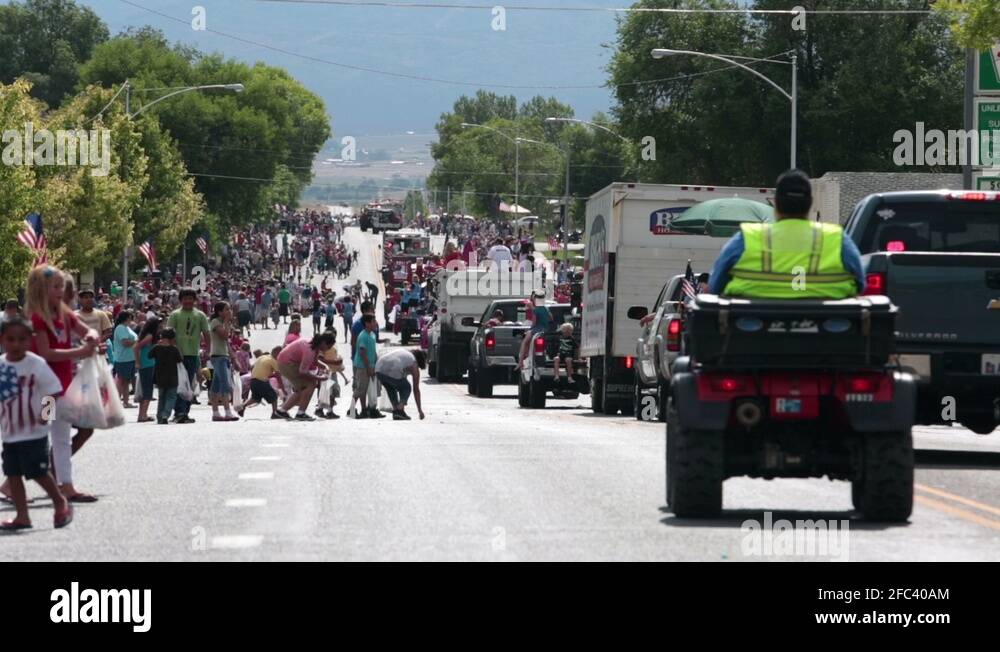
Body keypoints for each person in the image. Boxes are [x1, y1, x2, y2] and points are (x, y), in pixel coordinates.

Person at [708, 170, 865, 299]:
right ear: (810, 203)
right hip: (828, 332)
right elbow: (860, 284)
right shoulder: (837, 239)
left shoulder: (747, 237)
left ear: (775, 203)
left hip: (752, 331)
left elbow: (715, 285)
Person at [22, 265, 101, 503]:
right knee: (42, 433)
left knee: (59, 435)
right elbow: (46, 353)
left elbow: (87, 330)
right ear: (40, 289)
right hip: (44, 389)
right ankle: (14, 481)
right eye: (55, 287)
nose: (61, 291)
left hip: (62, 387)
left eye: (61, 286)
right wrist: (80, 351)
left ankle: (66, 485)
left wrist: (91, 338)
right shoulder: (38, 318)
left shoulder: (64, 313)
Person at [0, 316, 74, 530]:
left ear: (30, 340)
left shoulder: (35, 364)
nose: (16, 344)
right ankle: (22, 516)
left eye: (22, 339)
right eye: (10, 339)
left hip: (34, 431)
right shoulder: (2, 364)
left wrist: (46, 415)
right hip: (10, 431)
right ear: (2, 340)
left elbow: (53, 390)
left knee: (37, 471)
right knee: (12, 474)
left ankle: (60, 501)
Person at [166, 288, 211, 424]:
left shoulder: (200, 315)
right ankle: (178, 412)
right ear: (181, 300)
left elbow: (206, 333)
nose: (188, 301)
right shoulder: (175, 315)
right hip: (176, 356)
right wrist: (175, 349)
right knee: (178, 384)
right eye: (185, 298)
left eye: (190, 298)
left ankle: (184, 412)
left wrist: (208, 350)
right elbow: (169, 335)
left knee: (189, 384)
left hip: (192, 354)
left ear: (195, 300)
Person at [276, 333, 337, 421]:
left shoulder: (314, 343)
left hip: (286, 361)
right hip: (286, 364)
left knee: (302, 388)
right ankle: (300, 413)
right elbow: (303, 372)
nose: (328, 349)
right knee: (309, 385)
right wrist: (319, 378)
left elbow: (315, 361)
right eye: (328, 347)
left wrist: (325, 367)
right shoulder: (310, 349)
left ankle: (282, 411)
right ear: (323, 343)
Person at [374, 348, 426, 421]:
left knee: (390, 388)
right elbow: (416, 389)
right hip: (392, 368)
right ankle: (399, 409)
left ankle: (396, 411)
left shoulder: (404, 354)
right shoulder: (413, 362)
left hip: (378, 368)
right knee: (407, 387)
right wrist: (420, 410)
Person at [241, 346, 288, 420]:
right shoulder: (273, 361)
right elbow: (278, 376)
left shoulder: (262, 357)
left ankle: (242, 406)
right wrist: (283, 389)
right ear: (277, 353)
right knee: (274, 396)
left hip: (253, 380)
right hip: (261, 381)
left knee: (255, 398)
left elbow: (252, 367)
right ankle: (274, 413)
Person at [148, 328, 183, 425]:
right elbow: (180, 360)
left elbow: (149, 355)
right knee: (171, 397)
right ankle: (165, 415)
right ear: (172, 338)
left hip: (160, 376)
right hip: (172, 377)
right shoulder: (174, 349)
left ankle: (159, 416)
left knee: (161, 397)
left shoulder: (157, 348)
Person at [350, 314, 381, 419]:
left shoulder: (372, 334)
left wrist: (377, 364)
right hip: (363, 367)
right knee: (360, 389)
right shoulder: (363, 335)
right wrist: (368, 367)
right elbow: (362, 353)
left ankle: (365, 410)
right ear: (367, 323)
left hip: (370, 366)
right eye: (373, 321)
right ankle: (351, 409)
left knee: (365, 390)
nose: (375, 323)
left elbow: (373, 351)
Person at [133, 316, 161, 423]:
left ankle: (142, 414)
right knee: (148, 390)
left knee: (146, 389)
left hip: (148, 364)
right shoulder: (149, 336)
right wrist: (137, 362)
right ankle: (143, 415)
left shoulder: (149, 336)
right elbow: (136, 347)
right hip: (147, 364)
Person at [517, 289, 551, 369]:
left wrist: (531, 329)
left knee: (524, 342)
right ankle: (525, 358)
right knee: (528, 343)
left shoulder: (534, 307)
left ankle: (520, 362)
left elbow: (534, 322)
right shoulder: (545, 308)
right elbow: (550, 318)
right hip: (545, 328)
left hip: (537, 328)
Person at [111, 311, 137, 408]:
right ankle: (117, 402)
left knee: (126, 382)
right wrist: (137, 342)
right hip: (123, 359)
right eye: (130, 317)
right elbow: (125, 342)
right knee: (121, 381)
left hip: (129, 358)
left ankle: (126, 402)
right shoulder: (121, 328)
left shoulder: (127, 328)